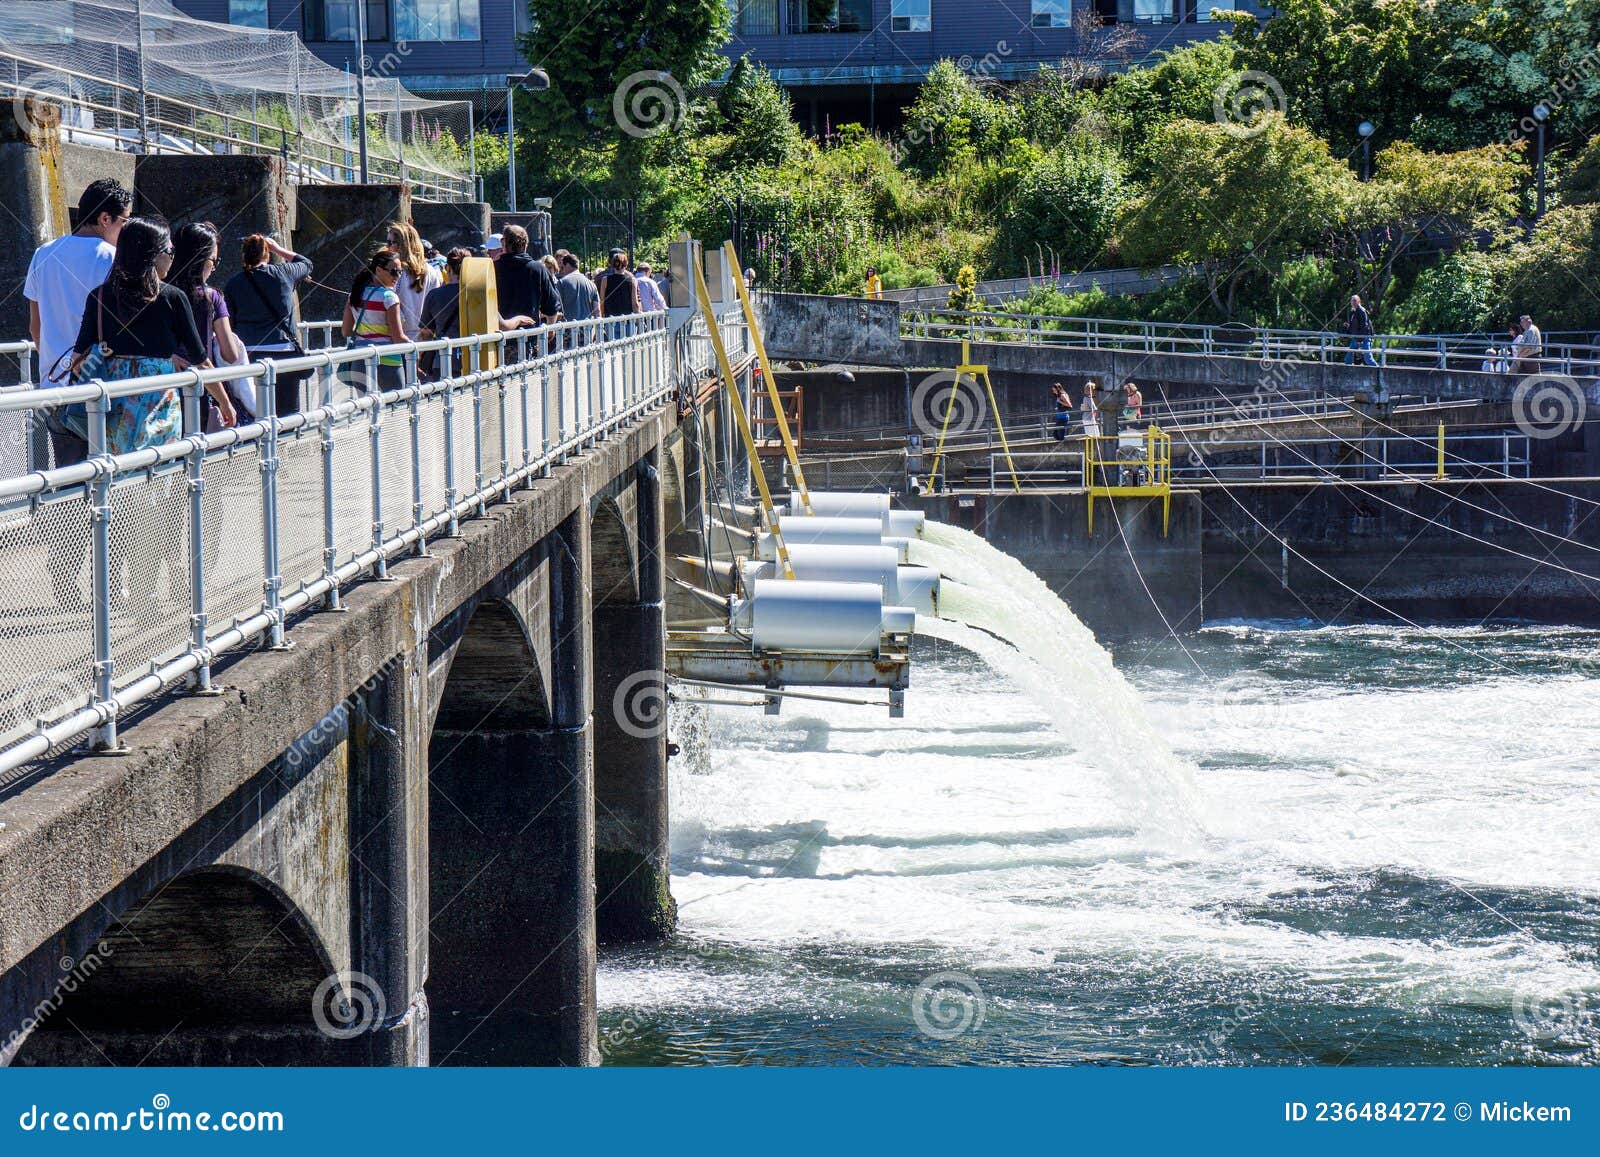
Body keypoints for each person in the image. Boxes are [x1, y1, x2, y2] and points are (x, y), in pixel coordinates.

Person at [66, 217, 210, 454]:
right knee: (158, 475)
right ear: (153, 254)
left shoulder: (99, 296)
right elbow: (199, 359)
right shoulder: (173, 297)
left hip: (113, 409)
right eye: (169, 250)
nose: (173, 256)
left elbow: (78, 362)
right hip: (161, 408)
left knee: (115, 476)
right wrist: (225, 402)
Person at [27, 178, 130, 471]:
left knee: (68, 474)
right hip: (103, 384)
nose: (126, 229)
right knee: (109, 472)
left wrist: (57, 364)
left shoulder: (42, 253)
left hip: (54, 385)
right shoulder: (114, 259)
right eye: (125, 220)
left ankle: (63, 516)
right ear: (105, 218)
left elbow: (36, 328)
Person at [224, 232, 314, 416]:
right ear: (268, 254)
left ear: (244, 256)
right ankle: (286, 444)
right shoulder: (283, 272)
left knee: (255, 412)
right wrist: (278, 248)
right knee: (288, 412)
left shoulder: (233, 284)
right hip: (284, 351)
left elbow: (230, 323)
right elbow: (307, 264)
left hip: (250, 355)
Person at [169, 222, 245, 431]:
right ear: (202, 260)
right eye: (214, 260)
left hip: (161, 388)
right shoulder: (212, 298)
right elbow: (230, 354)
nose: (214, 267)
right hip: (200, 386)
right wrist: (225, 401)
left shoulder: (160, 292)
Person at [418, 248, 536, 378]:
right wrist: (518, 319)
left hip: (442, 361)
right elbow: (503, 326)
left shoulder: (434, 295)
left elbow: (425, 332)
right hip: (474, 360)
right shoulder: (477, 293)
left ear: (448, 268)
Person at [340, 247, 409, 393]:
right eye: (394, 271)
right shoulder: (389, 297)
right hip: (387, 361)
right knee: (396, 409)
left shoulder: (355, 295)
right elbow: (397, 337)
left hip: (359, 361)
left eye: (400, 272)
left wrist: (366, 333)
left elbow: (346, 331)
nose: (398, 276)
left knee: (367, 410)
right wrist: (415, 348)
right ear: (378, 270)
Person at [494, 224, 561, 324]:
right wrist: (550, 330)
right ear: (526, 245)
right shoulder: (539, 269)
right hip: (531, 334)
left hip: (498, 335)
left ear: (504, 244)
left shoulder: (492, 268)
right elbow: (551, 306)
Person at [386, 220, 442, 337]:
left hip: (398, 338)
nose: (388, 247)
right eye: (388, 242)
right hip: (424, 339)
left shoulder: (394, 273)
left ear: (404, 245)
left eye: (392, 242)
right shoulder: (432, 272)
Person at [597, 248, 641, 331]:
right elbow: (635, 303)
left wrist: (602, 318)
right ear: (626, 264)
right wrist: (639, 321)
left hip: (610, 320)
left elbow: (602, 301)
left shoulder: (605, 280)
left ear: (612, 264)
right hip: (628, 320)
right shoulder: (632, 280)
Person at [557, 251, 600, 329]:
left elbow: (556, 307)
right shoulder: (592, 284)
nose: (562, 271)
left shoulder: (562, 282)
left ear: (568, 265)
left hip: (568, 329)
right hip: (587, 328)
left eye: (562, 267)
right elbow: (597, 311)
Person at [1343, 294, 1377, 366]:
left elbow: (1364, 326)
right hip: (1357, 337)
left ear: (1359, 301)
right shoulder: (1353, 312)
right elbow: (1354, 326)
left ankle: (1378, 369)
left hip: (1364, 338)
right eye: (1352, 301)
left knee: (1368, 358)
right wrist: (1348, 326)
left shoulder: (1361, 311)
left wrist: (1360, 340)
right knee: (1348, 358)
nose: (1353, 303)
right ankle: (1348, 371)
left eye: (1355, 301)